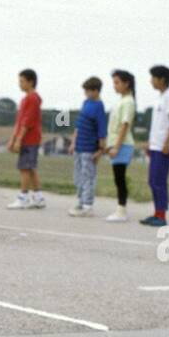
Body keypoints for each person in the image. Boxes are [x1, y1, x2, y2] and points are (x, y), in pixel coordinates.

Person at [140, 65, 169, 227]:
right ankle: (157, 213)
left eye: (153, 78)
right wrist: (150, 143)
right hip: (155, 145)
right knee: (152, 181)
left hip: (164, 146)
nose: (151, 81)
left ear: (162, 79)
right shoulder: (160, 97)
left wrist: (166, 142)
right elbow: (158, 123)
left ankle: (162, 216)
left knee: (159, 181)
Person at [6, 69, 45, 209]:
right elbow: (19, 121)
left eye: (22, 81)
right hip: (25, 138)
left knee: (25, 169)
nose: (20, 84)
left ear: (31, 82)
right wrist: (12, 138)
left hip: (30, 139)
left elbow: (27, 122)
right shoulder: (25, 99)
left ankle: (23, 198)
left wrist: (19, 140)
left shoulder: (33, 98)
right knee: (30, 168)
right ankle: (39, 198)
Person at [69, 76, 107, 217]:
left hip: (89, 149)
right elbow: (78, 126)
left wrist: (100, 150)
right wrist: (73, 142)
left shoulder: (99, 106)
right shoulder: (86, 103)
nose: (85, 93)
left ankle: (87, 206)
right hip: (79, 146)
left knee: (88, 177)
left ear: (96, 91)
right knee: (78, 176)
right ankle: (80, 201)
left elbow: (102, 130)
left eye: (88, 91)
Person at [104, 69, 137, 222]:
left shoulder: (129, 101)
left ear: (126, 83)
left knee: (120, 178)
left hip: (123, 144)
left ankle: (121, 210)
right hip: (116, 143)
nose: (114, 86)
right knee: (118, 178)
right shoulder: (122, 101)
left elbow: (125, 125)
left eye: (117, 83)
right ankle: (120, 209)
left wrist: (116, 146)